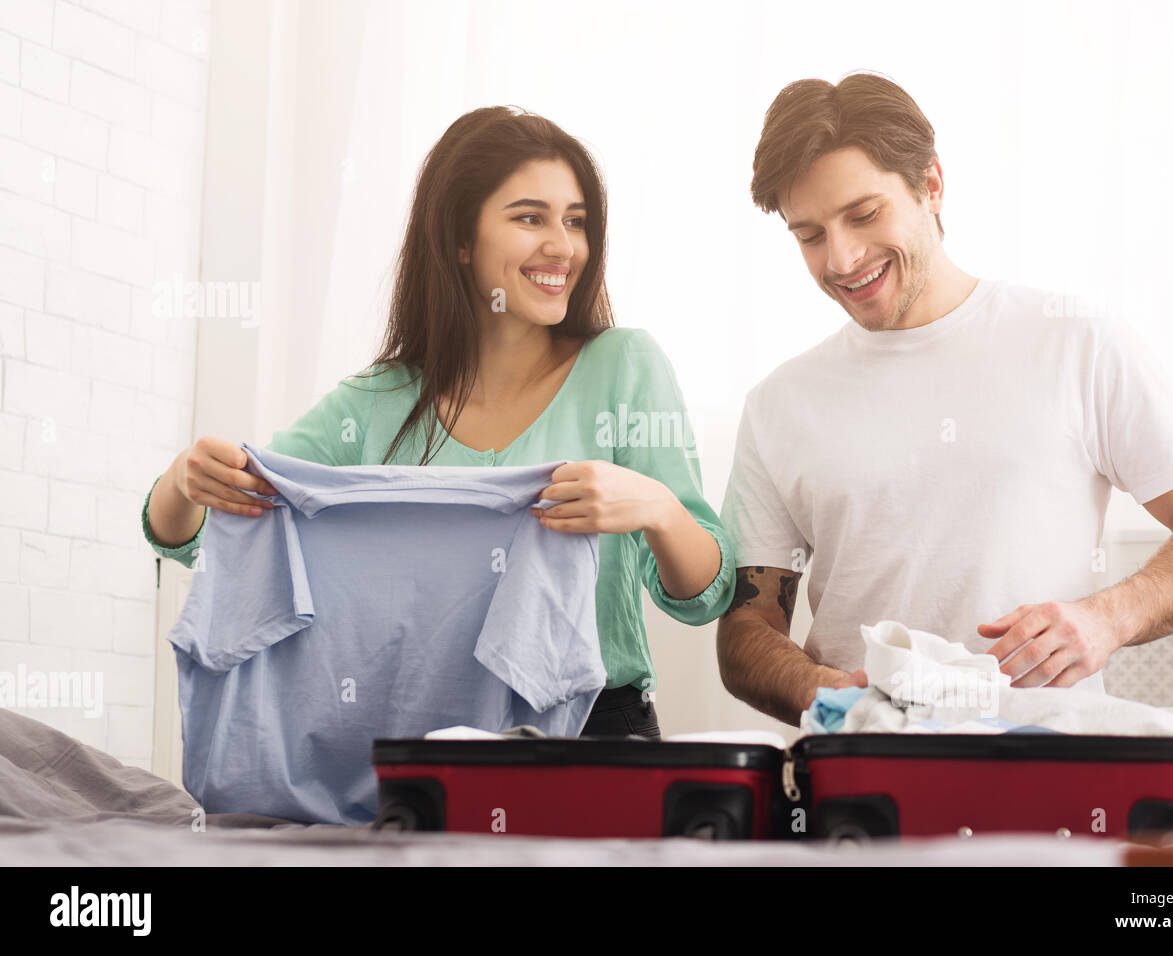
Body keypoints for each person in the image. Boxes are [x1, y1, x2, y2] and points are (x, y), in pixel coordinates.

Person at [144, 106, 735, 740]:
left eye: (576, 221)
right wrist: (183, 482)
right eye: (530, 217)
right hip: (417, 734)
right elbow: (201, 537)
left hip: (595, 732)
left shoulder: (625, 366)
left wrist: (658, 507)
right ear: (459, 237)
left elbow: (704, 595)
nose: (563, 246)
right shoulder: (377, 402)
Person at [717, 72, 1173, 726]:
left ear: (931, 185)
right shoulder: (780, 405)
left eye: (864, 215)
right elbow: (747, 627)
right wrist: (832, 696)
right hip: (861, 779)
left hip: (1046, 773)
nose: (842, 258)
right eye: (810, 235)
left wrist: (1104, 620)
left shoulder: (1072, 341)